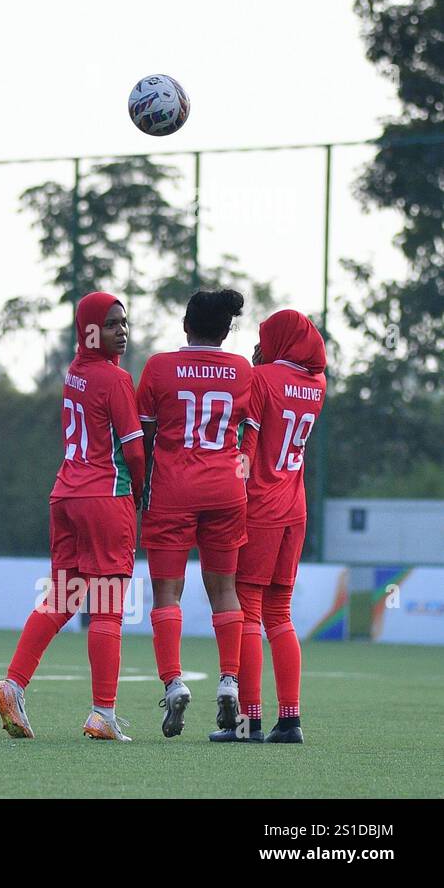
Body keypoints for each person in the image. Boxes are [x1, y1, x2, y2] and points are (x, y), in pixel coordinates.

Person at [0, 292, 145, 740]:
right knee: (109, 608)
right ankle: (102, 714)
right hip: (105, 497)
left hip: (66, 496)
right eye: (112, 324)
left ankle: (12, 684)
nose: (122, 331)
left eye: (124, 323)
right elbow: (132, 447)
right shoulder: (115, 381)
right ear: (90, 330)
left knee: (62, 597)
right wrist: (142, 487)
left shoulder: (75, 372)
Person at [136, 289, 253, 738]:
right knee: (224, 589)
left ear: (185, 324)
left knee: (168, 593)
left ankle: (174, 683)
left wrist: (141, 489)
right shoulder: (242, 370)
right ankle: (228, 682)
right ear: (226, 330)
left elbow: (142, 436)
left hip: (172, 490)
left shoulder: (159, 367)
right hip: (226, 490)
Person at [211, 310, 326, 744]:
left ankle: (249, 725)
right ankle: (290, 720)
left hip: (260, 506)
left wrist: (231, 487)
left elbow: (248, 446)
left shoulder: (261, 379)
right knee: (281, 615)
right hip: (295, 508)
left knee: (246, 614)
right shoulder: (317, 384)